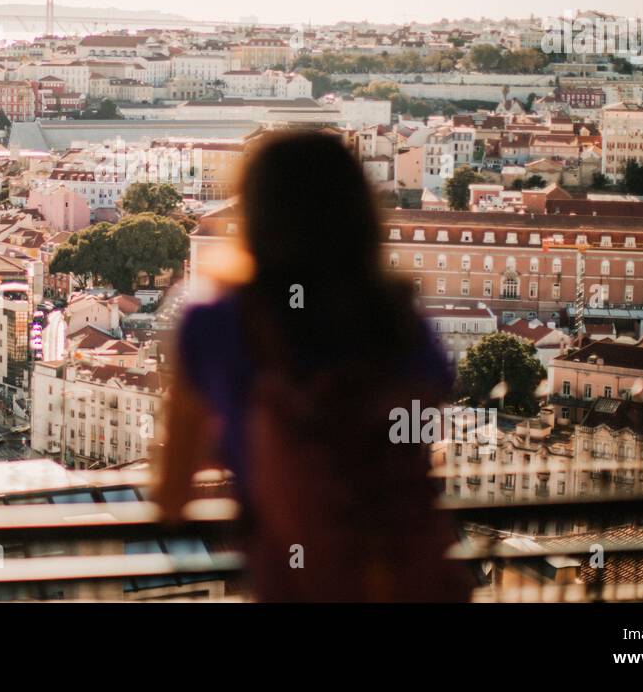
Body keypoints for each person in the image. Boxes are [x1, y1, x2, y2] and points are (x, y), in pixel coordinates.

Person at [154, 130, 469, 601]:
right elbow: (412, 456)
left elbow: (172, 492)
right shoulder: (404, 323)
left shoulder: (215, 325)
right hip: (409, 581)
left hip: (295, 584)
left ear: (255, 214)